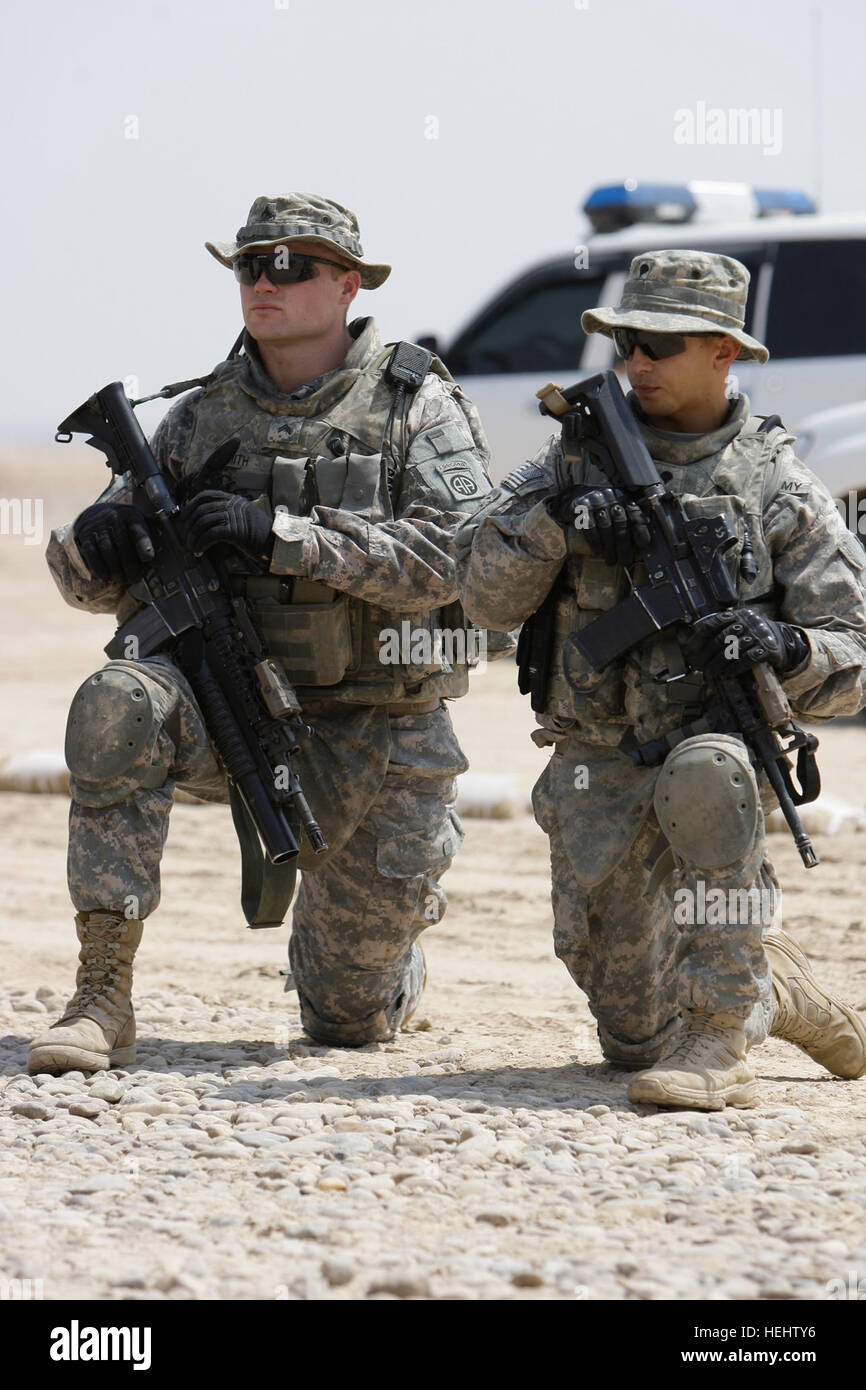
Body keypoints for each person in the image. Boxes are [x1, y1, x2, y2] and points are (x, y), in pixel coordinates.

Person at [29, 192, 495, 1074]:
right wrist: (95, 548)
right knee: (115, 702)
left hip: (380, 724)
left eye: (292, 264)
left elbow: (457, 561)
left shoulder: (412, 405)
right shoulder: (201, 414)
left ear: (349, 283)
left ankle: (386, 972)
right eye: (251, 265)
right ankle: (101, 993)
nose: (264, 282)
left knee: (344, 1021)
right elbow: (84, 582)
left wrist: (282, 537)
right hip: (222, 699)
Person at [456, 248, 866, 1110]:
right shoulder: (567, 464)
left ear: (724, 352)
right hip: (596, 755)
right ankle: (772, 989)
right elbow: (483, 603)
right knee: (631, 1034)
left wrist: (784, 648)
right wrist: (554, 526)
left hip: (712, 756)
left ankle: (721, 1035)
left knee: (711, 774)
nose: (636, 360)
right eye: (626, 341)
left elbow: (854, 656)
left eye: (661, 343)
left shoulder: (778, 483)